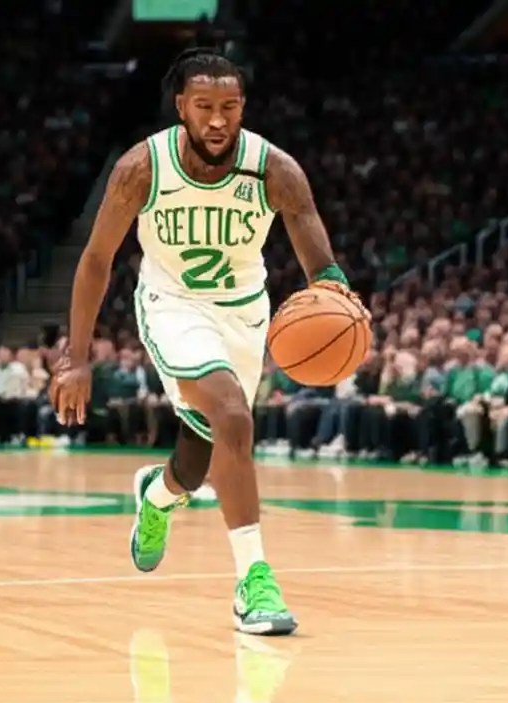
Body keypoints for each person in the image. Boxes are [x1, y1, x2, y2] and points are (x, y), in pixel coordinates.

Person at [49, 48, 368, 635]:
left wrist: (337, 292)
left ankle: (159, 495)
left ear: (243, 107)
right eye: (204, 107)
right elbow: (96, 259)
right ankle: (255, 582)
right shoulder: (143, 168)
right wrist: (76, 356)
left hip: (245, 312)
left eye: (229, 107)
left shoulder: (276, 169)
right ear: (181, 108)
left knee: (201, 457)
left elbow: (317, 254)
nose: (217, 120)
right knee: (232, 415)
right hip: (172, 305)